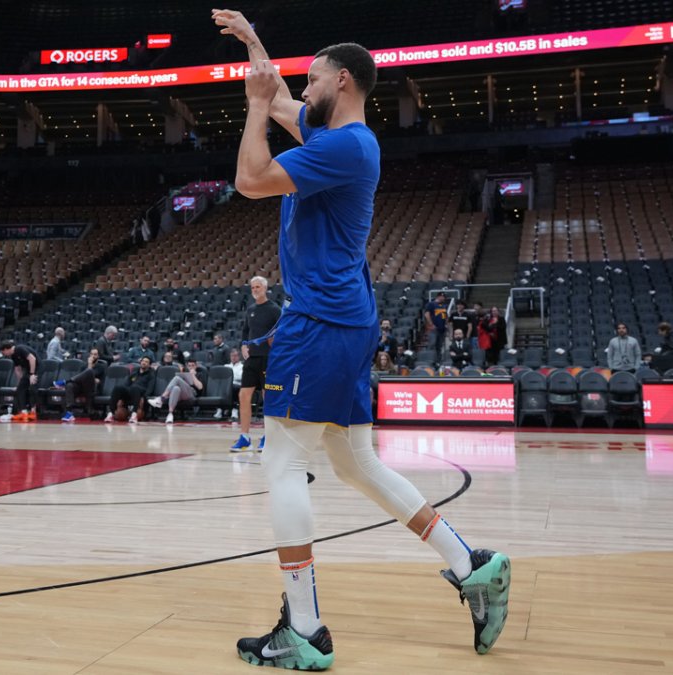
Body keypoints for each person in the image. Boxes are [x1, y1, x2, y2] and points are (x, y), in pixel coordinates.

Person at [215, 11, 510, 669]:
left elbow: (251, 179)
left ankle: (304, 628)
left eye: (314, 76)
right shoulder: (343, 137)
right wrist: (259, 44)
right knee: (355, 463)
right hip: (347, 320)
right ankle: (471, 564)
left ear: (341, 81)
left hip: (319, 321)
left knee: (285, 461)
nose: (304, 87)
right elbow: (292, 103)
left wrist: (253, 111)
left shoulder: (345, 147)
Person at [233, 275, 281, 451]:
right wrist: (244, 346)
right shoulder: (250, 309)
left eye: (258, 287)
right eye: (253, 287)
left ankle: (268, 437)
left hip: (269, 359)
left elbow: (282, 332)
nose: (255, 290)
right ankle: (244, 437)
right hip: (252, 359)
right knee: (244, 396)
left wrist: (275, 342)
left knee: (268, 397)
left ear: (265, 288)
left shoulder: (275, 309)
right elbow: (246, 331)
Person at [148, 357, 205, 424]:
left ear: (196, 366)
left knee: (177, 378)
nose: (191, 367)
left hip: (192, 394)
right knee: (176, 388)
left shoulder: (200, 373)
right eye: (189, 366)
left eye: (193, 365)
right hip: (181, 393)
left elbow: (200, 387)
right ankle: (170, 414)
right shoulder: (184, 373)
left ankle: (161, 399)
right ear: (187, 366)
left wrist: (192, 375)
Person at [104, 355, 156, 424]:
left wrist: (144, 397)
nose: (144, 363)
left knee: (135, 387)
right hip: (130, 391)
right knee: (118, 388)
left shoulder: (151, 375)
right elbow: (126, 384)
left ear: (149, 365)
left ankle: (134, 414)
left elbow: (150, 389)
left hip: (140, 392)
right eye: (143, 361)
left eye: (146, 362)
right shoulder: (134, 373)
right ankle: (111, 413)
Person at [62, 347, 107, 422]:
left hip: (92, 389)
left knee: (89, 372)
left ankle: (65, 381)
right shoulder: (83, 366)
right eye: (92, 354)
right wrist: (93, 378)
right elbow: (80, 378)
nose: (93, 356)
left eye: (95, 354)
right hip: (81, 387)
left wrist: (90, 364)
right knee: (70, 385)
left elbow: (91, 377)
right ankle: (69, 412)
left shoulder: (101, 367)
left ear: (98, 356)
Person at [0, 340, 38, 422]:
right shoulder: (13, 355)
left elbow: (32, 359)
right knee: (20, 388)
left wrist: (32, 374)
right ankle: (23, 412)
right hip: (29, 370)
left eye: (3, 353)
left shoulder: (19, 349)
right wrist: (20, 383)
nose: (4, 355)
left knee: (32, 386)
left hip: (37, 367)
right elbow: (18, 369)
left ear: (6, 349)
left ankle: (33, 412)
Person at [424, 292, 449, 362]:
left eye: (444, 297)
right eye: (442, 297)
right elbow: (427, 314)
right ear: (438, 297)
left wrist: (446, 324)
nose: (444, 298)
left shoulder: (443, 306)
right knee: (432, 344)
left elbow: (445, 316)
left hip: (442, 329)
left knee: (439, 346)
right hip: (434, 329)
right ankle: (429, 360)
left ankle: (438, 361)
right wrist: (431, 324)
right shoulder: (431, 304)